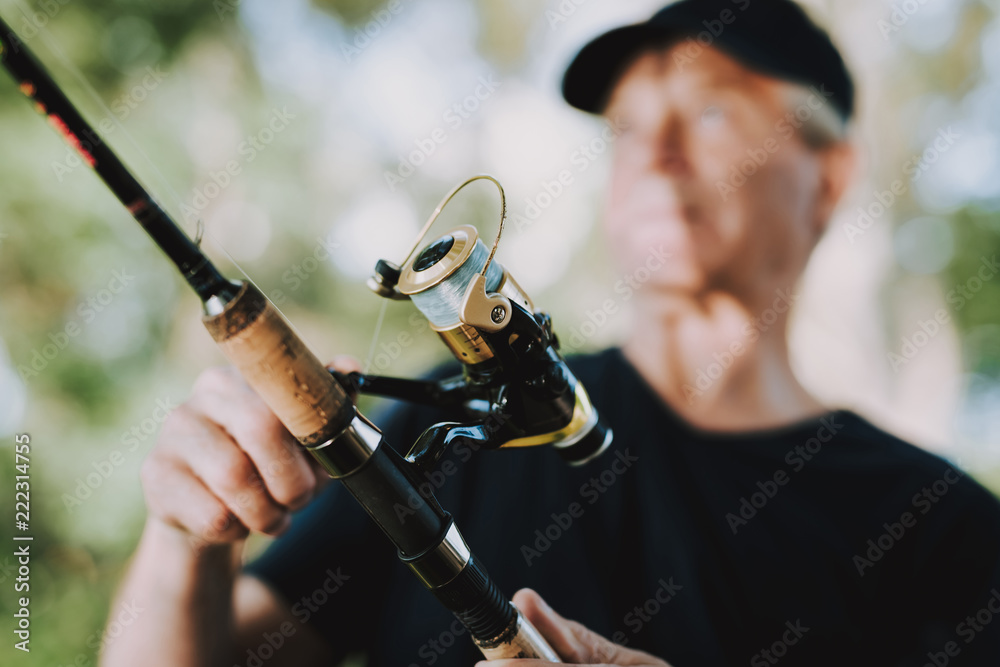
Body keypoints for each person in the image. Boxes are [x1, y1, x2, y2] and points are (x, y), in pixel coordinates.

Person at [103, 1, 1000, 666]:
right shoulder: (435, 433)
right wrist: (187, 536)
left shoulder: (943, 530)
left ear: (833, 177)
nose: (655, 153)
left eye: (713, 112)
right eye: (629, 128)